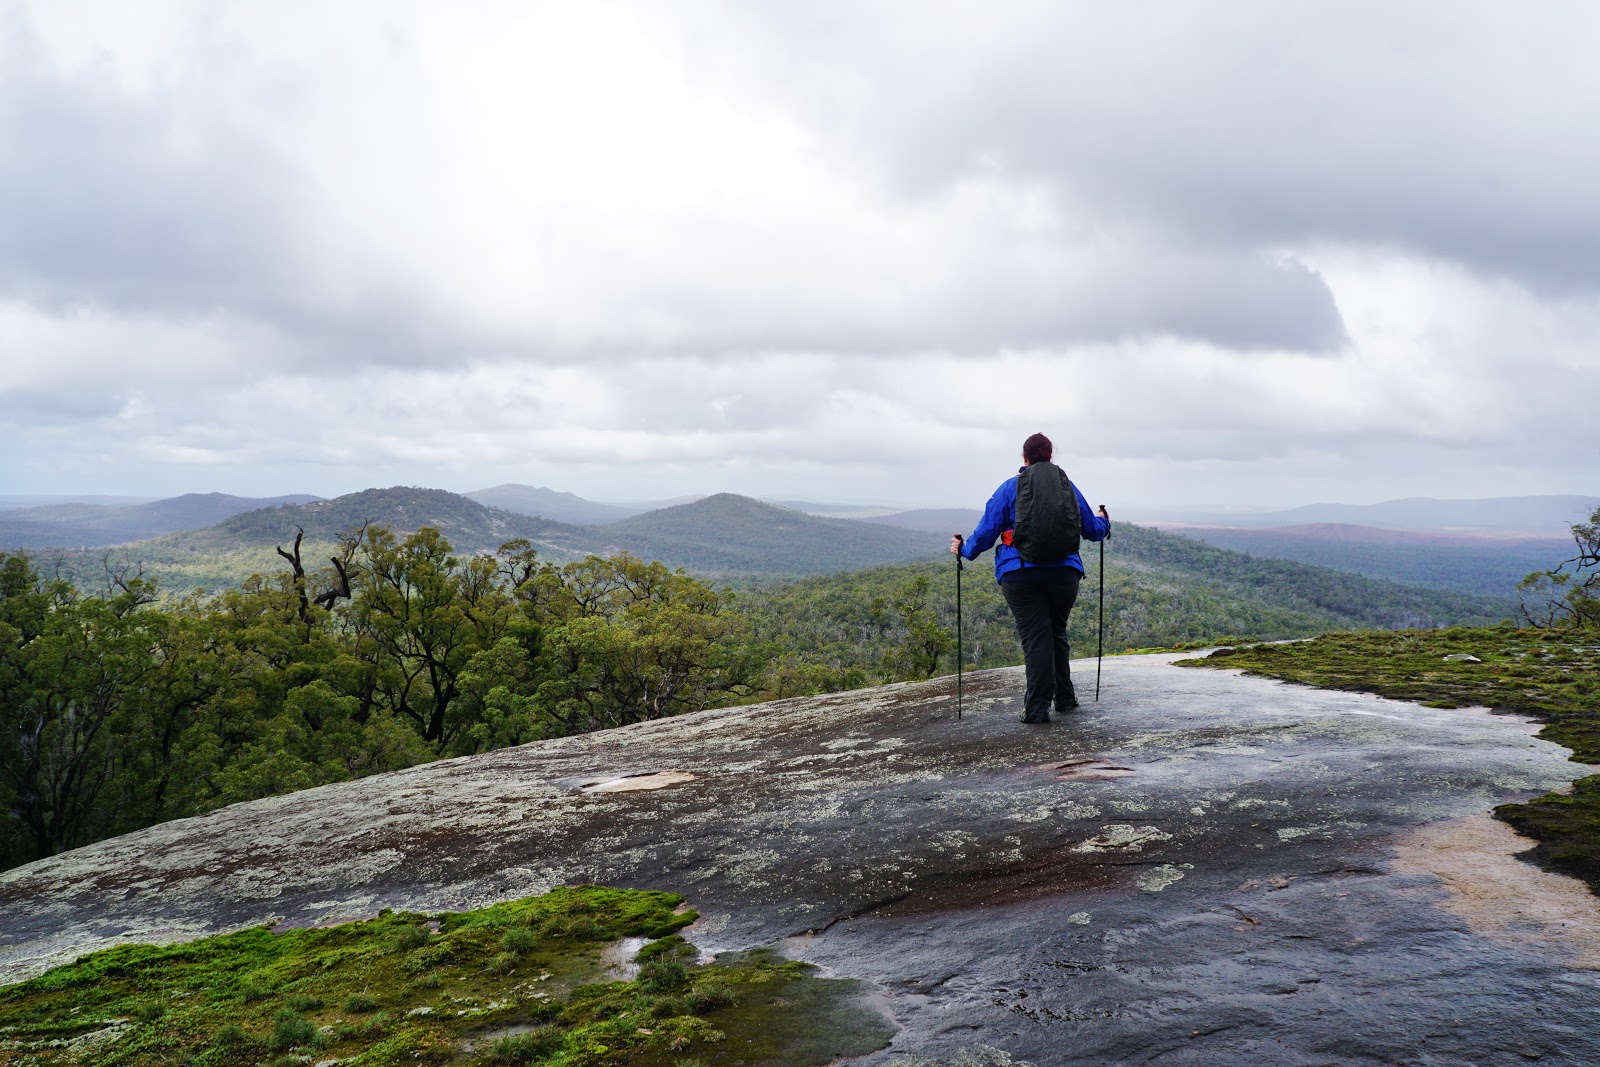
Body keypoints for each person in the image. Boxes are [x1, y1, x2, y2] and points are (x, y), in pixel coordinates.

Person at [951, 433, 1110, 724]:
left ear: (1024, 458)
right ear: (1050, 457)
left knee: (1036, 636)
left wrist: (963, 550)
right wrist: (1104, 519)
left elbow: (986, 534)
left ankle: (1037, 709)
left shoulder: (1010, 488)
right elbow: (1092, 530)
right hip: (1065, 573)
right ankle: (1064, 699)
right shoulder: (1067, 487)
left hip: (1019, 573)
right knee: (1056, 632)